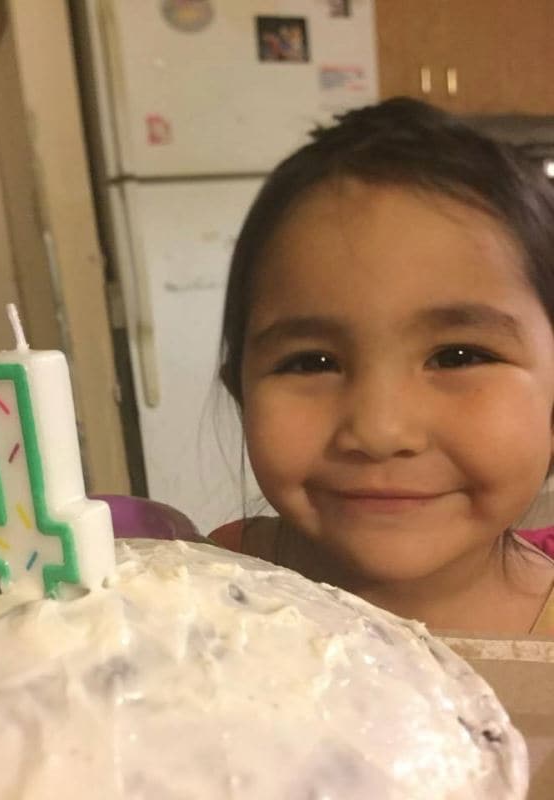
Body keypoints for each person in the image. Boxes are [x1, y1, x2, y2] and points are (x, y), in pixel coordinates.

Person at [209, 97, 554, 636]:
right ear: (241, 393)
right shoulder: (214, 579)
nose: (379, 431)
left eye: (459, 356)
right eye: (312, 362)